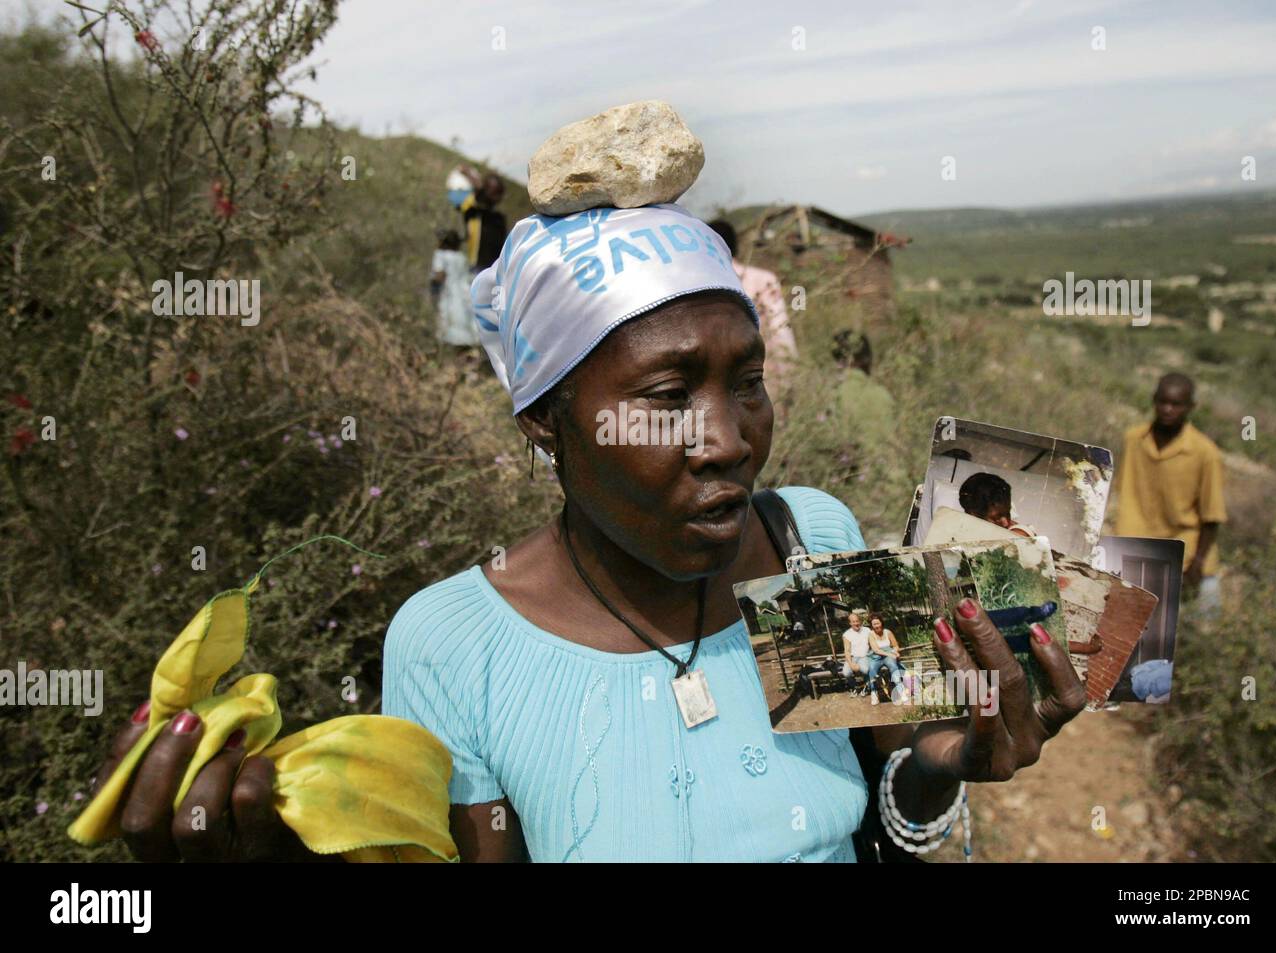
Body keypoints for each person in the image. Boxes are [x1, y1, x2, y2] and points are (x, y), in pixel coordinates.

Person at [90, 203, 1085, 863]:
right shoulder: (453, 643)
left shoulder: (806, 536)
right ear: (547, 417)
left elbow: (893, 821)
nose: (729, 440)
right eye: (665, 395)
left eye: (746, 382)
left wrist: (930, 773)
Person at [1115, 372, 1227, 611]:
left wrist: (1196, 565)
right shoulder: (1134, 440)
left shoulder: (1205, 453)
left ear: (1190, 407)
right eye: (1162, 402)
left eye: (1176, 404)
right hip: (1137, 551)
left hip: (1185, 558)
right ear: (1154, 400)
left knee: (1202, 629)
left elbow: (1211, 516)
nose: (1167, 409)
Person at [708, 219, 797, 396]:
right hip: (762, 380)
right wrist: (789, 376)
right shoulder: (763, 279)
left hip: (716, 388)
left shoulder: (700, 283)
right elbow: (781, 329)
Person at [429, 229, 478, 348]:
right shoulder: (461, 257)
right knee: (464, 322)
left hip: (448, 293)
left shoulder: (440, 255)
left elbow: (439, 276)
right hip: (464, 294)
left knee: (448, 323)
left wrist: (433, 288)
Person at [455, 165, 508, 273]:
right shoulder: (473, 212)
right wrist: (471, 177)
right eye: (493, 192)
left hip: (493, 270)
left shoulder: (498, 219)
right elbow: (475, 201)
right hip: (475, 268)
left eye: (498, 193)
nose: (496, 197)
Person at [958, 472, 1036, 537]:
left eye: (1008, 512)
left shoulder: (1018, 534)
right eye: (996, 518)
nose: (1005, 523)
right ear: (974, 516)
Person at [865, 613, 910, 705]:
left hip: (888, 655)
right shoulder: (871, 635)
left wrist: (895, 651)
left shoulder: (887, 632)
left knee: (893, 666)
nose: (877, 626)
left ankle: (900, 689)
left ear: (881, 623)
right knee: (872, 669)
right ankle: (874, 692)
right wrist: (890, 654)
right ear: (872, 626)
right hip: (877, 656)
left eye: (878, 623)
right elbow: (876, 650)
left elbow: (896, 645)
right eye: (874, 624)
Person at [840, 611, 874, 697]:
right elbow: (847, 651)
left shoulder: (867, 630)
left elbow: (873, 644)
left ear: (860, 621)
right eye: (853, 622)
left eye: (857, 621)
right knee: (846, 672)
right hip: (853, 657)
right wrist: (851, 664)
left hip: (864, 656)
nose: (856, 623)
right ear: (850, 623)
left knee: (866, 670)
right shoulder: (847, 634)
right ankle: (854, 687)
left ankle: (867, 687)